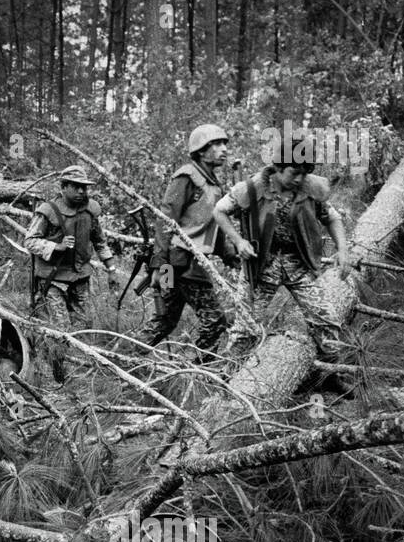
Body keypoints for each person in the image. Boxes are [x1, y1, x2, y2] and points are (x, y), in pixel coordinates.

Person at [213, 133, 352, 360]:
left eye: (304, 174)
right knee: (244, 330)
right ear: (278, 166)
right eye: (294, 172)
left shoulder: (310, 189)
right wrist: (239, 241)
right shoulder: (252, 188)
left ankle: (331, 375)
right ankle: (228, 381)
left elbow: (333, 218)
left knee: (326, 320)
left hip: (298, 264)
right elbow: (219, 210)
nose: (299, 179)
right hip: (260, 267)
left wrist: (343, 251)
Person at [134, 124, 236, 359]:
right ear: (201, 150)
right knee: (215, 320)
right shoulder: (186, 176)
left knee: (164, 320)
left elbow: (213, 228)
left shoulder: (212, 184)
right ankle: (197, 370)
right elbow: (165, 219)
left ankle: (127, 359)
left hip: (187, 262)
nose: (223, 150)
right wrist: (159, 263)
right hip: (180, 262)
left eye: (224, 144)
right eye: (216, 145)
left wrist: (231, 256)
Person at [24, 165, 120, 380]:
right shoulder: (48, 211)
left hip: (80, 278)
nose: (81, 192)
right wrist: (54, 246)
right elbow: (29, 241)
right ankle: (59, 374)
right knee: (61, 330)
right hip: (53, 280)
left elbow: (99, 241)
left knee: (85, 325)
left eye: (84, 188)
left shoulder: (90, 210)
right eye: (76, 187)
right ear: (63, 187)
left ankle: (81, 371)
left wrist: (111, 269)